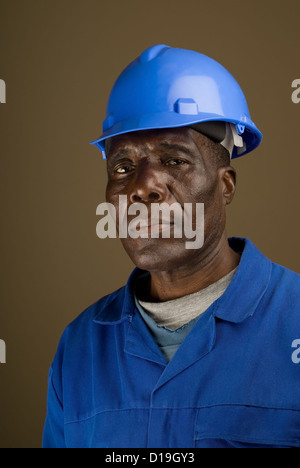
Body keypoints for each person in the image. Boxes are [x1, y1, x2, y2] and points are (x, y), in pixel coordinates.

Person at [43, 45, 300, 448]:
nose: (143, 186)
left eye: (175, 160)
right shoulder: (80, 347)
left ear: (225, 185)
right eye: (123, 167)